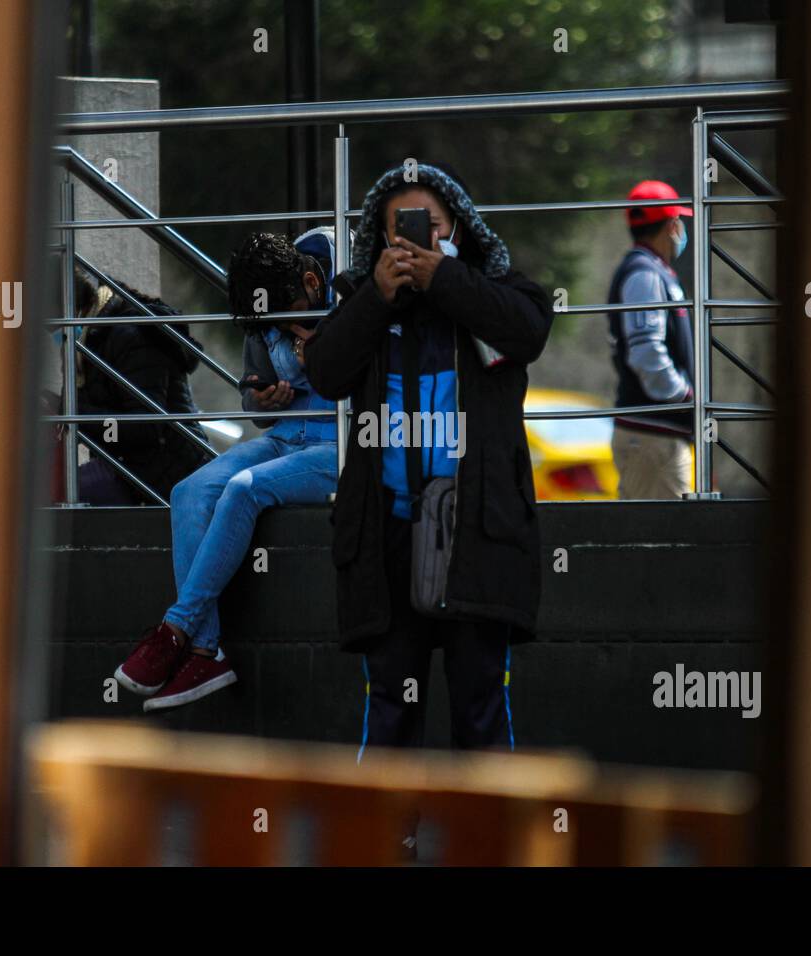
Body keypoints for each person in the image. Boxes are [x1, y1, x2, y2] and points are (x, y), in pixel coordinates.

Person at [304, 161, 553, 765]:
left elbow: (529, 332)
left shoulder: (497, 291)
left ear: (459, 231)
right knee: (391, 709)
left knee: (480, 708)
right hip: (385, 539)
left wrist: (446, 278)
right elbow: (326, 372)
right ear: (381, 238)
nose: (415, 242)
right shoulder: (362, 300)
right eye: (402, 229)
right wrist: (376, 296)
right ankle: (390, 844)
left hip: (478, 536)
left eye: (430, 227)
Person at [113, 232, 338, 711]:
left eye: (290, 320)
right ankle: (206, 651)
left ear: (314, 282)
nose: (286, 331)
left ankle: (174, 630)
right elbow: (253, 399)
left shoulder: (355, 286)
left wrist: (324, 346)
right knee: (189, 492)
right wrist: (260, 399)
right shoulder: (268, 304)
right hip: (287, 436)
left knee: (242, 489)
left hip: (346, 442)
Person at [68, 267, 213, 505]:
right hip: (134, 469)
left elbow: (146, 428)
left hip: (168, 476)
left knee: (63, 497)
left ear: (72, 309)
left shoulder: (130, 335)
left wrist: (75, 414)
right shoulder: (89, 341)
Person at [607, 179, 696, 499]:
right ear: (672, 224)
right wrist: (686, 396)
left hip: (652, 434)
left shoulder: (649, 271)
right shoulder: (645, 274)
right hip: (652, 434)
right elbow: (647, 354)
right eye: (680, 222)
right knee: (663, 541)